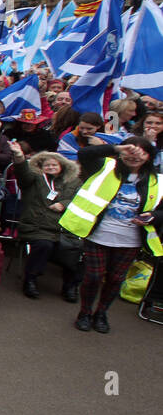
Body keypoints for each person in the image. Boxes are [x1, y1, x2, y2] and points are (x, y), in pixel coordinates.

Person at [60, 137, 162, 334]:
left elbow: (161, 212)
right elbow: (84, 154)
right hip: (98, 234)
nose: (134, 156)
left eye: (141, 152)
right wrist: (116, 148)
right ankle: (85, 313)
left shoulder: (157, 181)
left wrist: (153, 216)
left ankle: (101, 313)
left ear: (149, 156)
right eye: (130, 151)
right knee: (94, 277)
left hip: (130, 239)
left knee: (116, 279)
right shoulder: (105, 166)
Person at [9, 143, 82, 301]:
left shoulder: (74, 182)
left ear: (62, 166)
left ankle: (70, 286)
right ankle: (31, 280)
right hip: (37, 226)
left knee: (76, 248)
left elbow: (81, 200)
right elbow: (22, 174)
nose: (50, 167)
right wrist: (19, 157)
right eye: (47, 165)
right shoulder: (34, 178)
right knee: (44, 244)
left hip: (64, 228)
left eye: (54, 164)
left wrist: (65, 204)